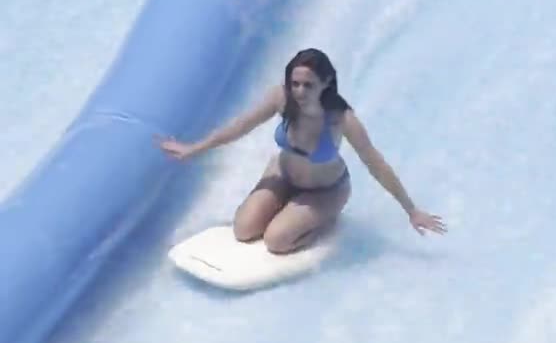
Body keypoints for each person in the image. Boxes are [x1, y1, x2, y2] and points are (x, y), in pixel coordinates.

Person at [159, 47, 446, 253]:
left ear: (326, 83)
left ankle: (324, 221)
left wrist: (411, 210)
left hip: (324, 190)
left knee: (276, 241)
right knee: (243, 230)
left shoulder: (341, 118)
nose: (299, 91)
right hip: (283, 175)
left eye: (308, 85)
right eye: (294, 83)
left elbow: (376, 164)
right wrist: (194, 149)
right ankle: (287, 209)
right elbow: (240, 126)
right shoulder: (281, 98)